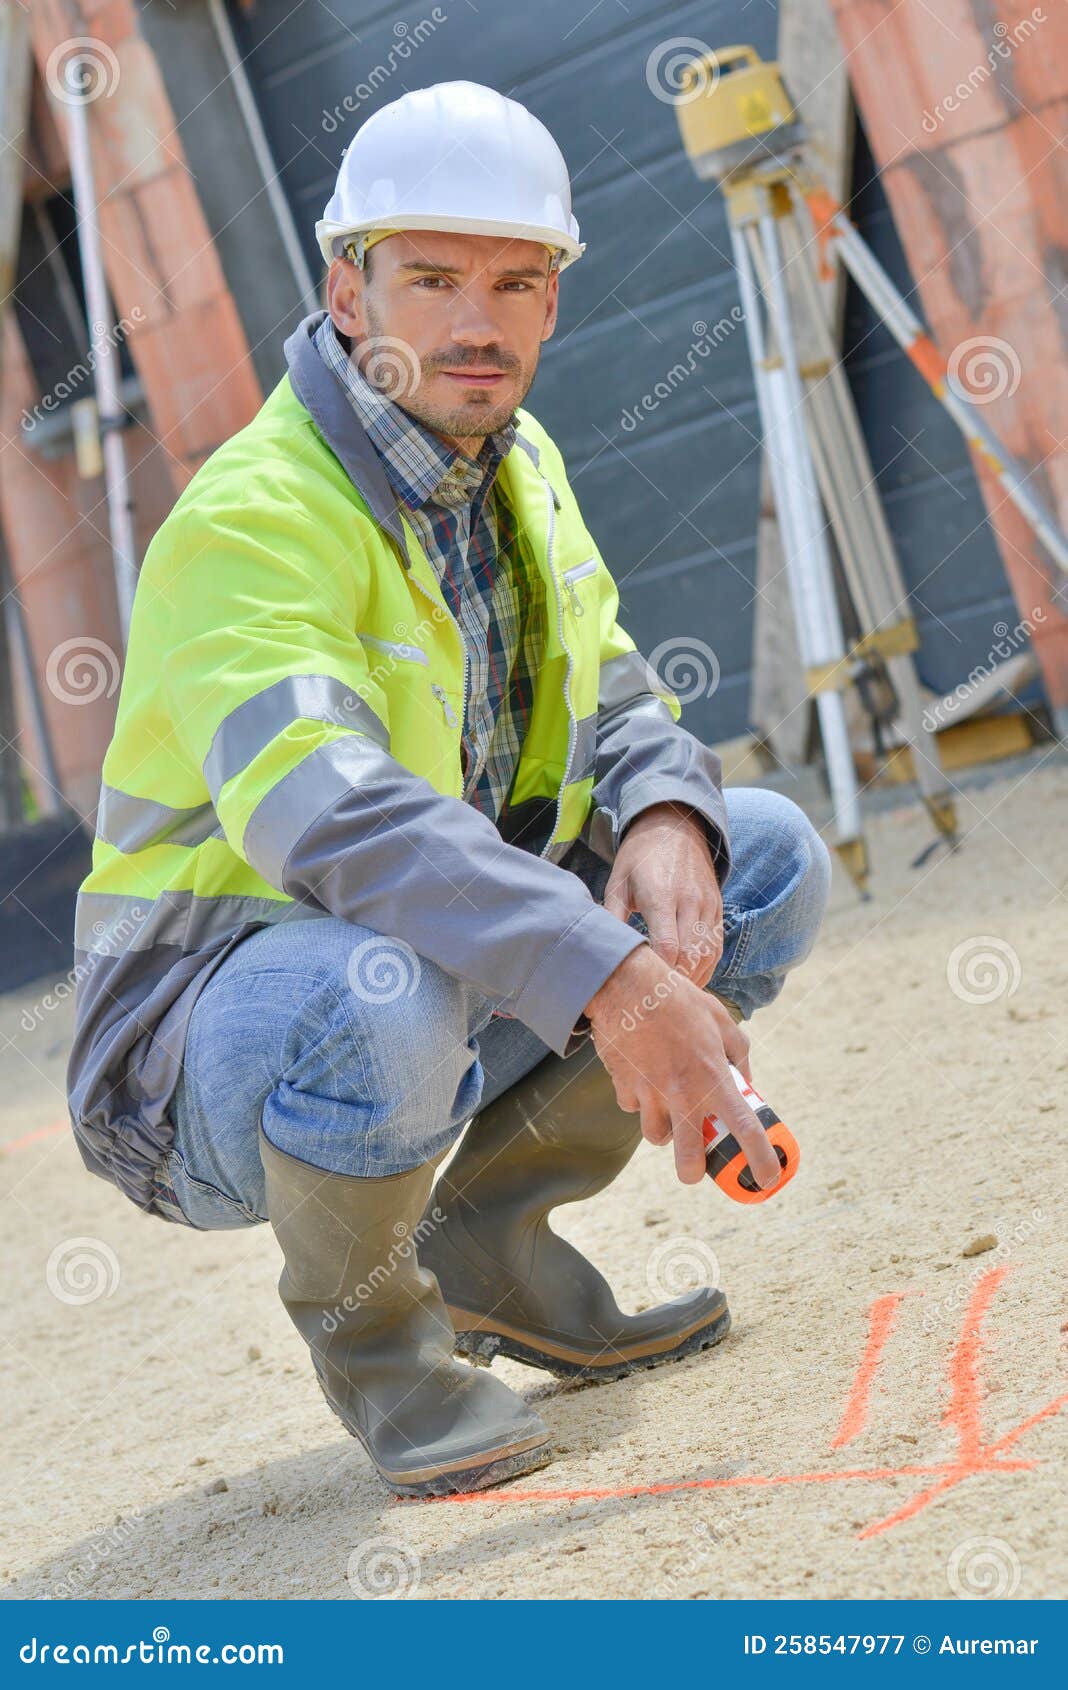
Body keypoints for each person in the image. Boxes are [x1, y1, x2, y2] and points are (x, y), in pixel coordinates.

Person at [67, 82, 832, 1498]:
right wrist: (612, 975)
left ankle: (490, 1239)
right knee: (379, 982)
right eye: (431, 278)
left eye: (514, 282)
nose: (476, 322)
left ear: (551, 301)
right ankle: (392, 1366)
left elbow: (611, 689)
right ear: (349, 287)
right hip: (203, 1047)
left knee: (762, 854)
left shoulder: (518, 463)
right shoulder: (254, 515)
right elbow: (328, 811)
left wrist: (664, 814)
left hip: (433, 955)